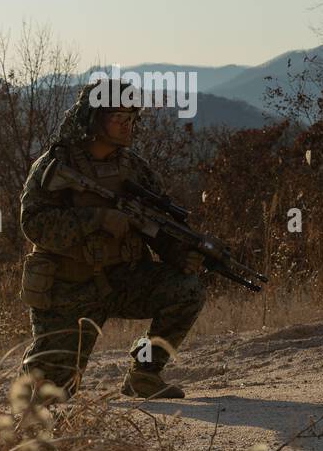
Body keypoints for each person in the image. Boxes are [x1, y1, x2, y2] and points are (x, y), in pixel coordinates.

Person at [19, 79, 206, 399]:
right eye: (119, 118)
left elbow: (157, 225)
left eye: (132, 119)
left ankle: (144, 374)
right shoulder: (55, 167)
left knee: (187, 288)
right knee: (51, 392)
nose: (127, 126)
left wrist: (178, 253)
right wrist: (97, 219)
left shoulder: (133, 168)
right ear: (94, 119)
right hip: (69, 289)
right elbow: (34, 224)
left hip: (123, 279)